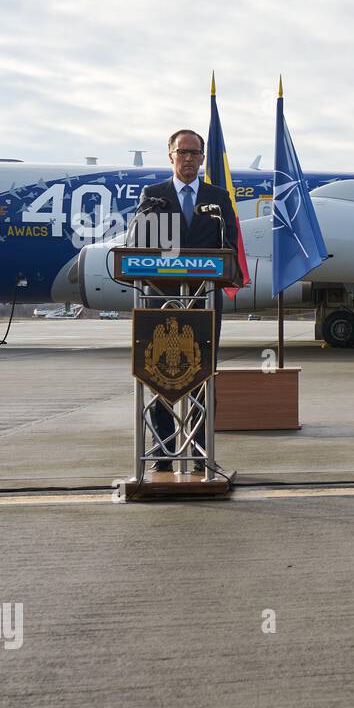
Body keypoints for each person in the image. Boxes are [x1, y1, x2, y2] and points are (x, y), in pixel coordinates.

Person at [137, 128, 240, 473]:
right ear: (170, 156)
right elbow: (143, 246)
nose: (189, 159)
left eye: (195, 154)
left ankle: (199, 453)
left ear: (202, 158)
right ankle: (163, 452)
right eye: (183, 153)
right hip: (161, 301)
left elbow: (229, 246)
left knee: (199, 376)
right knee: (160, 375)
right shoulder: (153, 196)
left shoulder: (217, 197)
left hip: (203, 301)